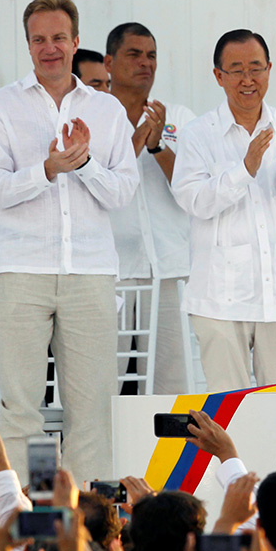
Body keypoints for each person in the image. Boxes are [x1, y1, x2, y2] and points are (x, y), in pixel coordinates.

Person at [0, 0, 138, 484]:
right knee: (20, 407)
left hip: (88, 271)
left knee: (91, 407)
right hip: (18, 270)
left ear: (76, 41)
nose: (50, 48)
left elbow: (124, 191)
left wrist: (84, 164)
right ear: (28, 44)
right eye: (39, 39)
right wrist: (48, 169)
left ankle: (87, 524)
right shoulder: (0, 105)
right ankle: (22, 517)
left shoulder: (107, 110)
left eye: (58, 38)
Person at [171, 29, 276, 393]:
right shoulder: (197, 134)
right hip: (219, 297)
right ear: (218, 76)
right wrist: (244, 170)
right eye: (236, 69)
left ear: (270, 70)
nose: (247, 79)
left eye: (256, 68)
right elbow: (192, 200)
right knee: (226, 407)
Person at [104, 22, 196, 395]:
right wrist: (137, 140)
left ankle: (167, 457)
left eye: (152, 55)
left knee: (170, 390)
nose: (146, 63)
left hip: (168, 271)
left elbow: (192, 191)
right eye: (134, 54)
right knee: (104, 389)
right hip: (111, 274)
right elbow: (96, 184)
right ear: (109, 62)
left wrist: (159, 146)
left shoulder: (180, 117)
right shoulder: (92, 116)